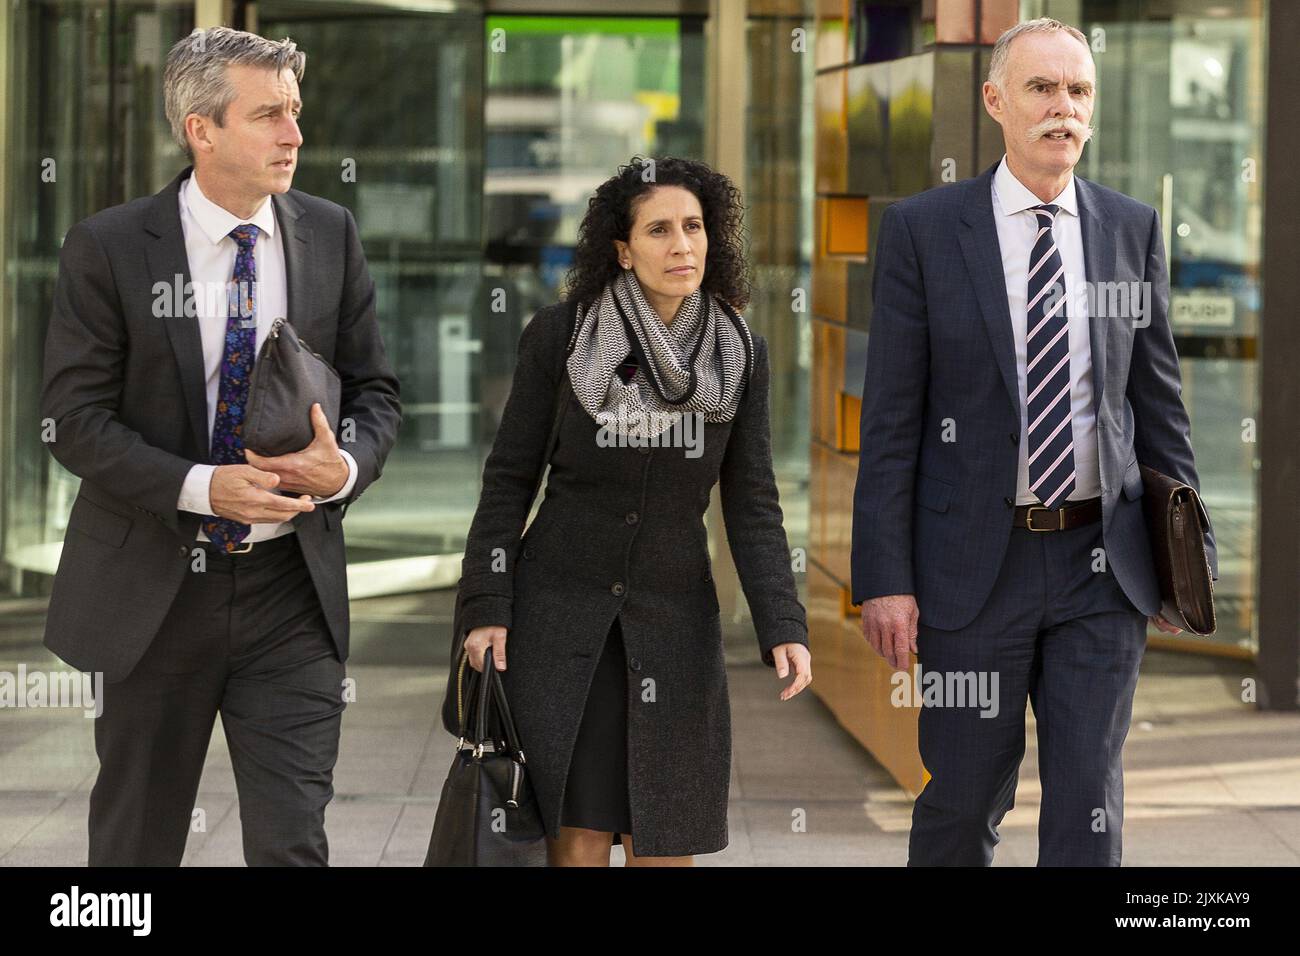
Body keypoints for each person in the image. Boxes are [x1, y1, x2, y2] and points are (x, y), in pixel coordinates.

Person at [850, 17, 1216, 866]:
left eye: (1078, 91)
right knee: (965, 795)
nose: (1063, 109)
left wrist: (1182, 553)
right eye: (1043, 89)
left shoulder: (1130, 229)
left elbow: (1159, 409)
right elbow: (892, 424)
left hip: (1103, 564)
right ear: (996, 102)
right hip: (972, 570)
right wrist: (886, 580)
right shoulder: (926, 231)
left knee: (1089, 797)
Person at [40, 27, 401, 866]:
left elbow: (376, 391)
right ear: (201, 129)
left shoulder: (329, 232)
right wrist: (205, 488)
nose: (295, 135)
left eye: (297, 111)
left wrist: (342, 467)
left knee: (292, 844)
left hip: (291, 594)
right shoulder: (112, 247)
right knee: (135, 842)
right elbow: (73, 417)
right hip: (153, 596)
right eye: (269, 114)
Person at [457, 156, 811, 866]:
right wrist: (485, 605)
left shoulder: (740, 352)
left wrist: (783, 624)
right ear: (622, 250)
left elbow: (752, 503)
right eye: (659, 230)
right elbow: (507, 481)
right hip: (560, 621)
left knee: (665, 840)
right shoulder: (561, 338)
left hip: (676, 627)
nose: (682, 245)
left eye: (694, 227)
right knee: (578, 838)